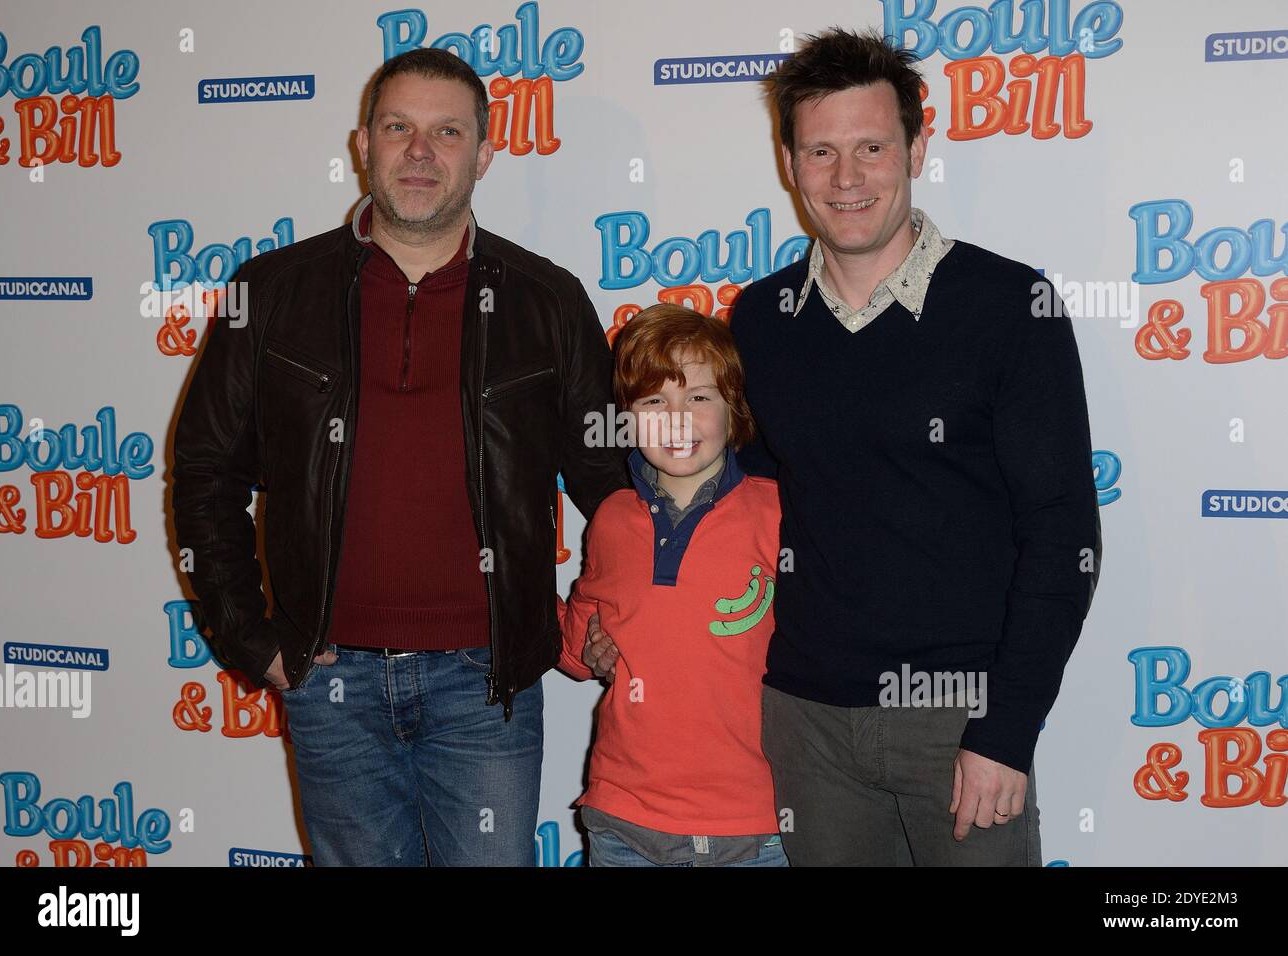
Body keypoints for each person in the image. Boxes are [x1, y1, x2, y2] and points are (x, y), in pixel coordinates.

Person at [582, 28, 1101, 866]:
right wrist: (632, 610)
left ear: (917, 147)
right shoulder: (761, 318)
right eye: (820, 151)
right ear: (789, 163)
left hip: (958, 719)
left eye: (871, 148)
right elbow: (733, 493)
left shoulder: (1010, 305)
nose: (847, 178)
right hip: (801, 723)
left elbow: (1063, 531)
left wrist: (1006, 731)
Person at [171, 48, 627, 866]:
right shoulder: (272, 291)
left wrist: (622, 610)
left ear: (484, 156)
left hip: (488, 688)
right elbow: (206, 474)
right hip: (329, 681)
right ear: (362, 145)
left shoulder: (544, 298)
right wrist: (255, 641)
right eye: (399, 129)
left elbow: (614, 486)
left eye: (447, 132)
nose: (421, 152)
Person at [557, 305, 787, 867]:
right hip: (626, 823)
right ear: (627, 418)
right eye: (655, 401)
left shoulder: (779, 512)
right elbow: (576, 646)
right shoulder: (611, 517)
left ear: (734, 412)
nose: (677, 419)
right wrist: (589, 647)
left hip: (756, 825)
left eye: (699, 398)